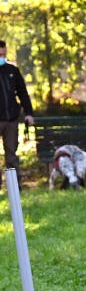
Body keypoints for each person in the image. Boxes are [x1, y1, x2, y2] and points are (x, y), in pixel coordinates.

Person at [0, 40, 34, 189]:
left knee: (12, 156)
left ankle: (15, 186)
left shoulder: (12, 71)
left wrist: (29, 113)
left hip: (11, 120)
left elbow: (23, 93)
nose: (2, 56)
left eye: (4, 54)